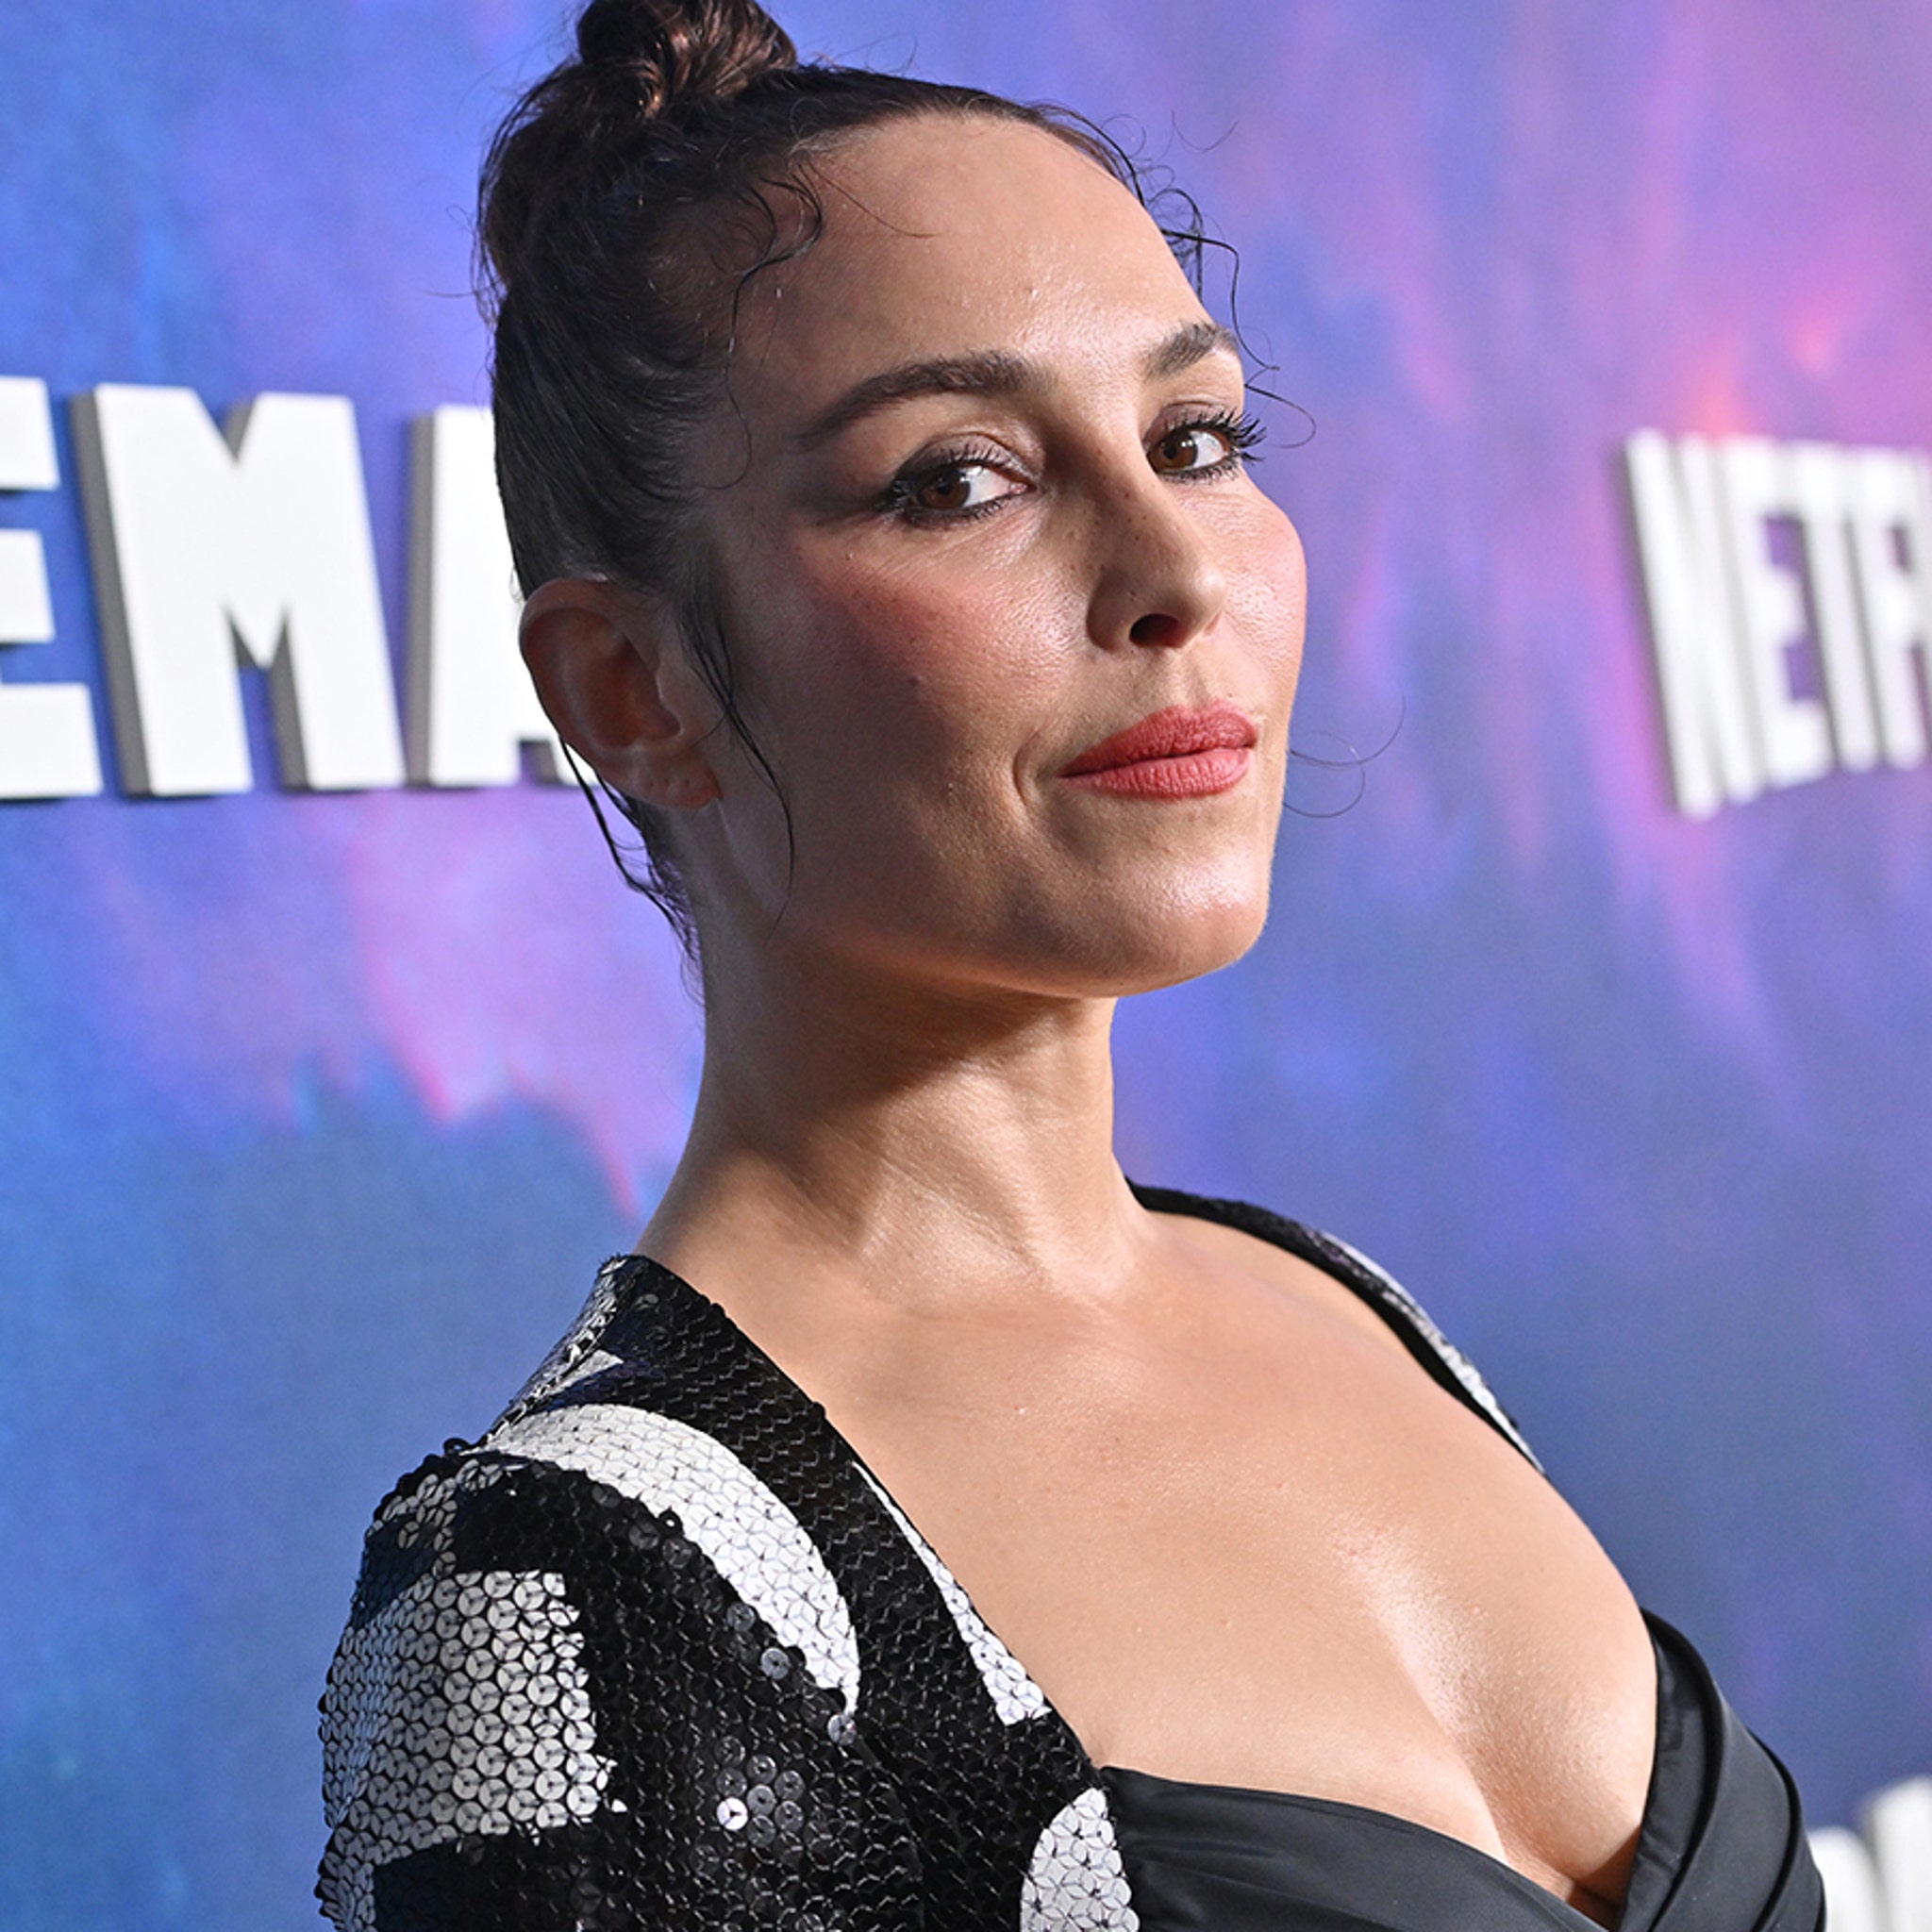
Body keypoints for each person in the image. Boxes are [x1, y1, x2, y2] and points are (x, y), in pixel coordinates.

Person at [317, 3, 1824, 1927]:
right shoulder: (577, 1596)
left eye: (1195, 439)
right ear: (633, 687)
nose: (1177, 571)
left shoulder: (1327, 1299)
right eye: (960, 479)